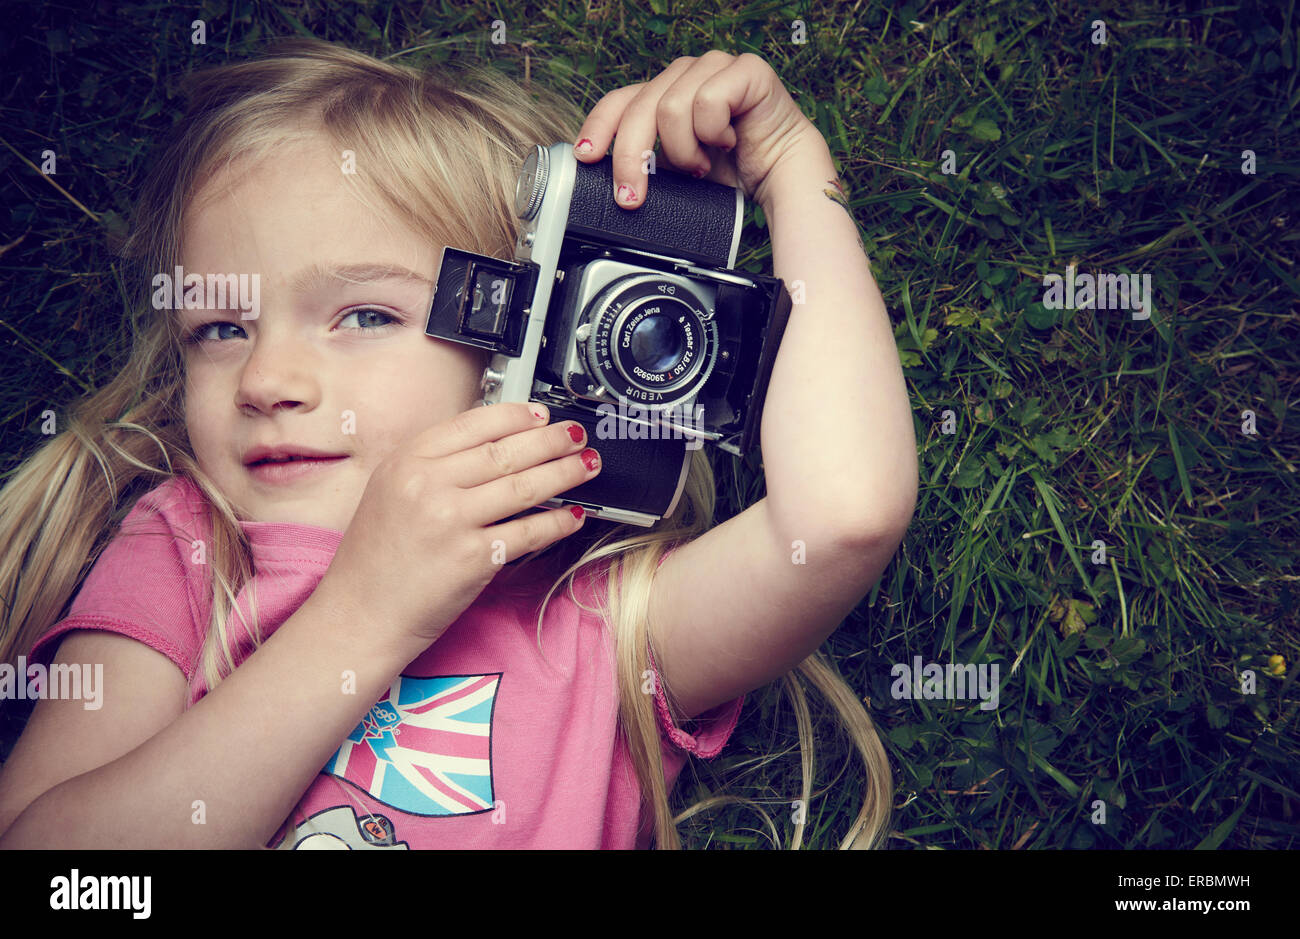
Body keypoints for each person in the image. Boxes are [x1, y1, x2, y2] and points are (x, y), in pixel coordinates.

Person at [0, 39, 916, 849]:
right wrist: (363, 615)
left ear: (519, 339)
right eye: (220, 328)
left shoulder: (599, 624)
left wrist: (792, 171)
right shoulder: (191, 545)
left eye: (364, 314)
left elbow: (844, 515)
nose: (267, 378)